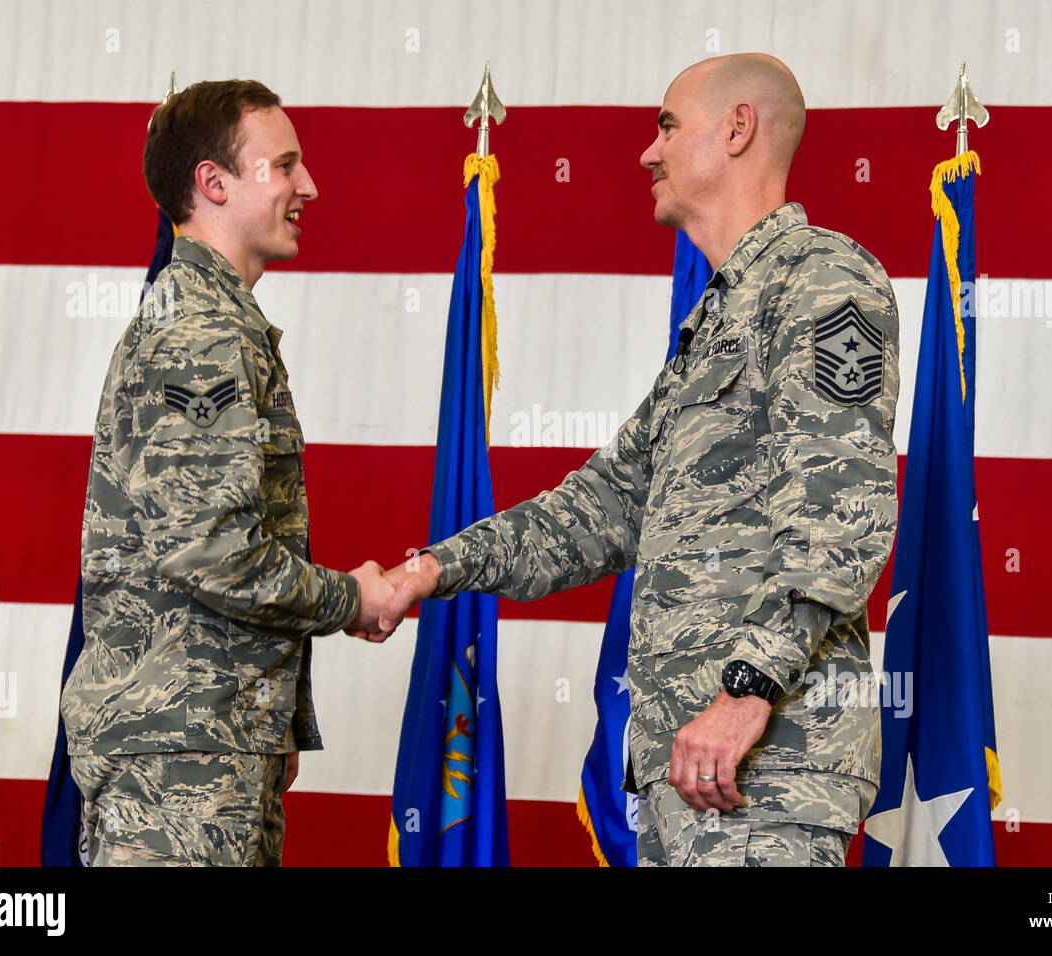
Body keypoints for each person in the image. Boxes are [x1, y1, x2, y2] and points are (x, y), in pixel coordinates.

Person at [378, 53, 901, 866]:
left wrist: (747, 692)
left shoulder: (822, 279)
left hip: (763, 770)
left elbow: (844, 511)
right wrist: (432, 570)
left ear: (737, 129)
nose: (647, 153)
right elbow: (600, 507)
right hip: (681, 770)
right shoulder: (714, 323)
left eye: (665, 125)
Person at [60, 80, 394, 866]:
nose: (307, 186)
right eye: (283, 166)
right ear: (213, 183)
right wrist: (352, 598)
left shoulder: (214, 322)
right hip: (180, 758)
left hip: (210, 741)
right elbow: (213, 550)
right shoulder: (202, 336)